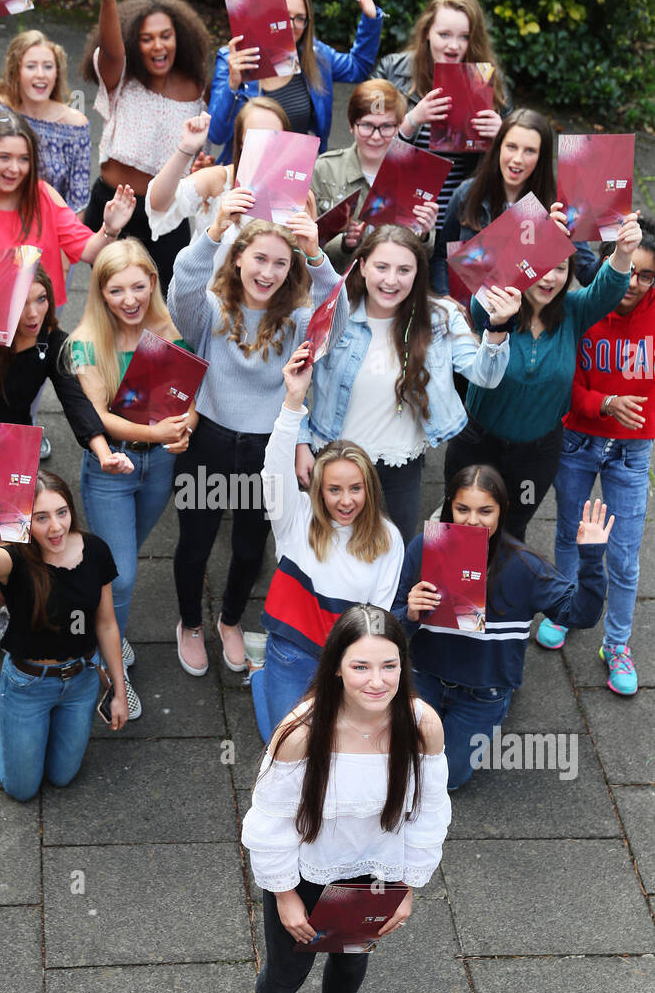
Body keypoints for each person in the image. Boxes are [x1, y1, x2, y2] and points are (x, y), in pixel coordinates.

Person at [238, 604, 449, 993]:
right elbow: (270, 825)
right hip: (306, 874)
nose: (377, 681)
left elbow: (427, 813)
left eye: (389, 665)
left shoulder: (422, 726)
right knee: (285, 974)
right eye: (361, 667)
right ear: (336, 666)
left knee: (351, 964)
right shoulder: (301, 733)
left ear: (404, 664)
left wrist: (407, 887)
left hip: (373, 876)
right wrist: (285, 896)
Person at [167, 191, 348, 676]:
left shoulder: (296, 321)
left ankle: (229, 619)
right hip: (209, 444)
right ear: (239, 258)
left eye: (280, 263)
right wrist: (214, 231)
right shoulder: (209, 310)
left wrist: (317, 254)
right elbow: (181, 287)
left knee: (250, 547)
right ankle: (189, 623)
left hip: (266, 452)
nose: (267, 272)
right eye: (259, 259)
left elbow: (338, 319)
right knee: (195, 544)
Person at [0, 263, 131, 673]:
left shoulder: (52, 343)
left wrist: (102, 451)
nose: (34, 313)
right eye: (23, 304)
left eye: (42, 300)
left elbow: (75, 400)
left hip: (14, 460)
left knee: (14, 565)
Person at [393, 465, 612, 790]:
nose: (472, 520)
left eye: (485, 511)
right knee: (401, 769)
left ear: (502, 512)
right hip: (426, 680)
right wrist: (409, 613)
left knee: (445, 781)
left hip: (483, 692)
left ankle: (499, 708)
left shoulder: (524, 566)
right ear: (450, 505)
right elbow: (391, 629)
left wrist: (592, 560)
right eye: (462, 508)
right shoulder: (424, 549)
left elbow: (579, 615)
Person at [295, 224, 517, 545]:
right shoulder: (335, 313)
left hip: (400, 469)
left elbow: (486, 376)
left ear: (417, 274)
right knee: (329, 560)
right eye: (381, 267)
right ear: (362, 266)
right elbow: (295, 380)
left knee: (391, 562)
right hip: (336, 465)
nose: (391, 280)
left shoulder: (441, 318)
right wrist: (301, 442)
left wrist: (497, 328)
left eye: (403, 270)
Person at [444, 213, 641, 540]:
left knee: (513, 528)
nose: (550, 277)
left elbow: (607, 290)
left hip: (535, 456)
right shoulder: (496, 307)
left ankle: (505, 590)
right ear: (522, 267)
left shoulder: (575, 312)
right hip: (478, 443)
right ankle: (455, 589)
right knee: (463, 528)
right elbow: (482, 273)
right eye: (542, 266)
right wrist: (531, 232)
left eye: (561, 268)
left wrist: (623, 252)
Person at [67, 239, 196, 719]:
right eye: (116, 289)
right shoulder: (85, 342)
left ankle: (98, 627)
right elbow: (98, 417)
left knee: (117, 566)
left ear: (152, 285)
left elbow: (186, 395)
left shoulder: (164, 328)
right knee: (120, 579)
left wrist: (186, 429)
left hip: (159, 463)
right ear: (100, 292)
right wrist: (157, 431)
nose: (129, 299)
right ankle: (106, 662)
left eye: (138, 287)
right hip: (112, 468)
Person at [250, 341, 404, 741]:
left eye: (355, 488)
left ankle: (259, 680)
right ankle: (261, 679)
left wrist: (367, 671)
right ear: (318, 490)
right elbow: (274, 470)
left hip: (349, 659)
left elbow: (380, 616)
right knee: (283, 744)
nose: (346, 500)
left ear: (369, 488)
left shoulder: (388, 539)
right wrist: (294, 399)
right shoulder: (295, 519)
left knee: (333, 744)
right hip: (293, 652)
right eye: (334, 489)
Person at [0, 456, 128, 801]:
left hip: (80, 682)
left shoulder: (95, 550)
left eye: (61, 513)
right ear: (24, 521)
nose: (55, 528)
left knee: (62, 777)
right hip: (28, 683)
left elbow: (106, 624)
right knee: (23, 790)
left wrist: (119, 691)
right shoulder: (17, 558)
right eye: (41, 518)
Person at [536, 223, 655, 695]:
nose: (634, 284)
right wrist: (602, 404)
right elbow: (565, 380)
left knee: (625, 554)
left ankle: (618, 643)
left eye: (647, 277)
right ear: (611, 262)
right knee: (568, 531)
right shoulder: (581, 308)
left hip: (631, 449)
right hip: (579, 440)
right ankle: (566, 609)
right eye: (629, 271)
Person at [81, 0, 210, 289]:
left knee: (164, 309)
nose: (158, 45)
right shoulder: (120, 77)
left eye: (165, 36)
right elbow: (111, 50)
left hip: (169, 216)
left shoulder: (198, 85)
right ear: (133, 43)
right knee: (111, 303)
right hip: (114, 207)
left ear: (179, 38)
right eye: (146, 38)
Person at [0, 110, 135, 311]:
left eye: (23, 159)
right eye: (4, 157)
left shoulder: (43, 194)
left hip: (37, 323)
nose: (15, 168)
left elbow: (89, 250)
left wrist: (110, 228)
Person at [373, 0, 513, 223]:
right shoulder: (392, 70)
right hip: (402, 214)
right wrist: (412, 120)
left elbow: (518, 169)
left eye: (464, 37)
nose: (454, 46)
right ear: (427, 32)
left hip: (461, 218)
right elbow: (366, 148)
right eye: (444, 34)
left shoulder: (490, 81)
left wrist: (504, 137)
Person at [208, 0, 384, 160]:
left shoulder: (315, 56)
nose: (291, 26)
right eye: (283, 16)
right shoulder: (233, 60)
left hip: (295, 173)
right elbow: (216, 135)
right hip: (246, 175)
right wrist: (232, 85)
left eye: (300, 18)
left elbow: (357, 68)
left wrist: (370, 18)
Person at [429, 108, 598, 295]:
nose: (518, 159)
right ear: (499, 147)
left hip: (525, 318)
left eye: (530, 151)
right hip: (468, 314)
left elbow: (588, 274)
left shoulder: (559, 207)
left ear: (541, 157)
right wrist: (446, 300)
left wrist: (617, 252)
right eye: (511, 147)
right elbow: (441, 257)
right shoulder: (467, 194)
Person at [0, 14, 92, 211]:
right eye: (31, 66)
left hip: (48, 230)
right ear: (16, 72)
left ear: (57, 73)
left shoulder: (74, 126)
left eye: (48, 67)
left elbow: (78, 204)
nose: (41, 74)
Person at [311, 78, 439, 273]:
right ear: (352, 125)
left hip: (394, 288)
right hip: (338, 285)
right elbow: (307, 246)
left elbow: (426, 255)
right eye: (367, 125)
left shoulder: (415, 172)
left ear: (399, 127)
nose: (376, 136)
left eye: (387, 126)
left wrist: (424, 234)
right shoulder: (325, 169)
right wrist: (344, 244)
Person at [145, 99, 290, 270]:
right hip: (210, 290)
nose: (266, 145)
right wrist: (186, 148)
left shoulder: (297, 196)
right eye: (256, 135)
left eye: (274, 136)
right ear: (242, 140)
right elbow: (159, 203)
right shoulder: (219, 180)